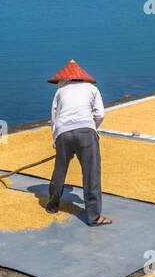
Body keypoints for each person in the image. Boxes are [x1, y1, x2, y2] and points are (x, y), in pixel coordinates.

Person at [45, 59, 110, 225]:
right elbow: (100, 114)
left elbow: (54, 118)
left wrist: (56, 140)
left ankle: (52, 205)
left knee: (60, 169)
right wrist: (91, 130)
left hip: (63, 133)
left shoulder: (60, 92)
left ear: (64, 79)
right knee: (91, 173)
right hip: (86, 132)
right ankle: (93, 217)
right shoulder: (92, 89)